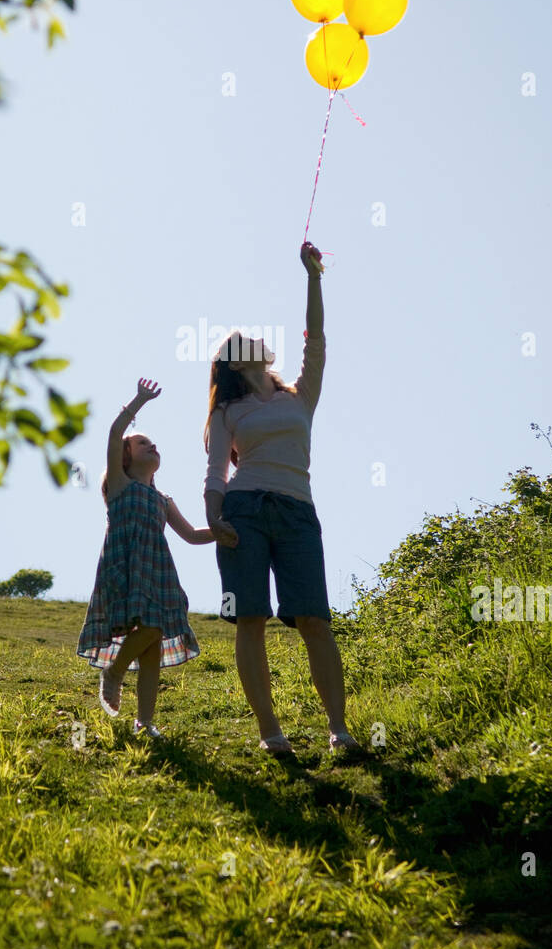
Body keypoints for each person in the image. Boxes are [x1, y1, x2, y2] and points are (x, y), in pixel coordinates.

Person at [203, 241, 362, 757]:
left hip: (297, 511)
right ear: (232, 361)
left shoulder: (300, 394)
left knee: (314, 618)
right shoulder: (228, 410)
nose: (253, 339)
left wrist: (313, 277)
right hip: (244, 512)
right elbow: (215, 471)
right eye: (242, 339)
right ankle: (271, 733)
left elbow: (316, 340)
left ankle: (339, 730)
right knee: (250, 619)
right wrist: (214, 516)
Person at [77, 377, 213, 738]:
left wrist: (226, 532)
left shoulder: (163, 500)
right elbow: (113, 433)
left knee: (152, 646)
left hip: (157, 572)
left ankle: (145, 721)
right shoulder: (121, 485)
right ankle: (115, 671)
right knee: (150, 630)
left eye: (153, 444)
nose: (151, 445)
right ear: (125, 456)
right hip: (125, 567)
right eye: (142, 443)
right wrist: (138, 402)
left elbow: (193, 535)